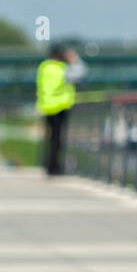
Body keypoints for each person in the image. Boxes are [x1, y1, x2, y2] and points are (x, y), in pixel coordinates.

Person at [35, 44, 86, 176]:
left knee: (50, 138)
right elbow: (81, 73)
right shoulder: (62, 69)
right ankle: (54, 167)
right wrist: (74, 59)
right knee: (58, 139)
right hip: (60, 106)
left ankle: (48, 165)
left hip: (47, 106)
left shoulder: (44, 68)